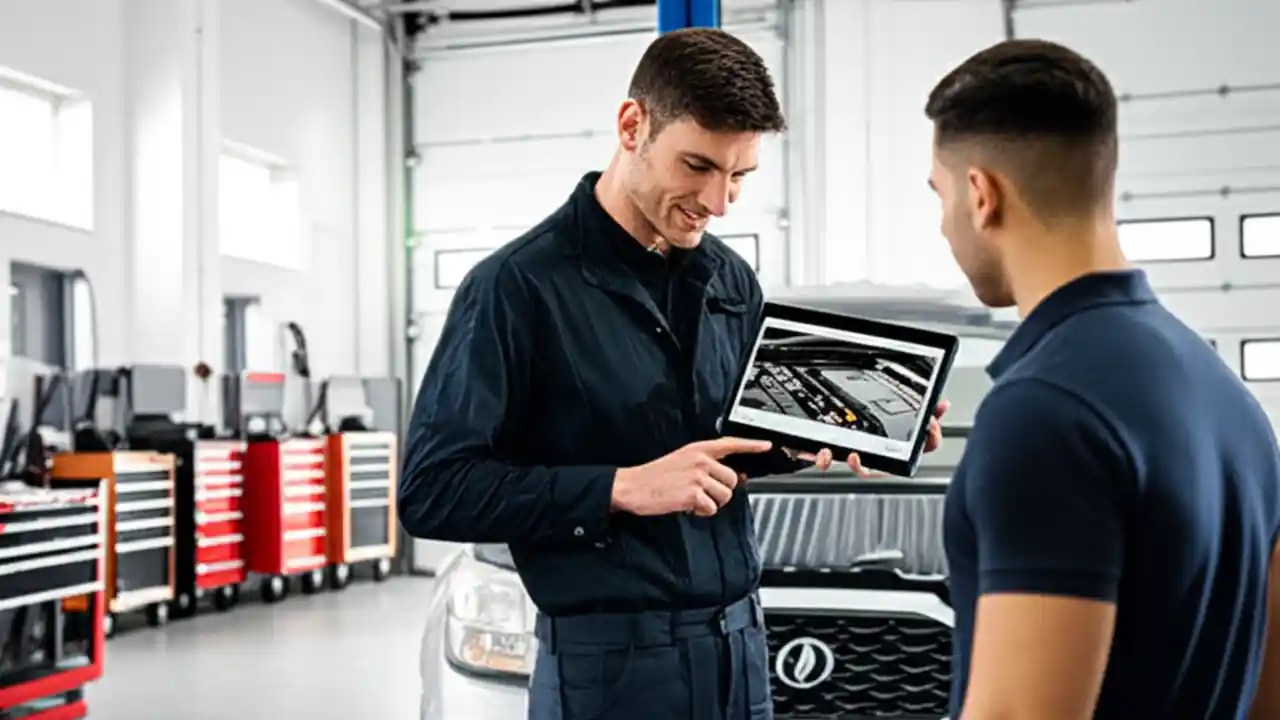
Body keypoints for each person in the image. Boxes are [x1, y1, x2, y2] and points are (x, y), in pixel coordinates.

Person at [398, 27, 946, 720]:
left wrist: (822, 433)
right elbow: (431, 492)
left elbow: (729, 444)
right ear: (633, 126)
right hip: (610, 671)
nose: (718, 203)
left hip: (740, 652)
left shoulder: (730, 279)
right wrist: (621, 488)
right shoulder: (516, 288)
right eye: (697, 167)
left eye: (739, 176)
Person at [923, 38, 1280, 719]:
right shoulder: (1228, 396)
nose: (943, 224)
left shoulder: (1042, 409)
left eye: (939, 195)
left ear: (980, 195)